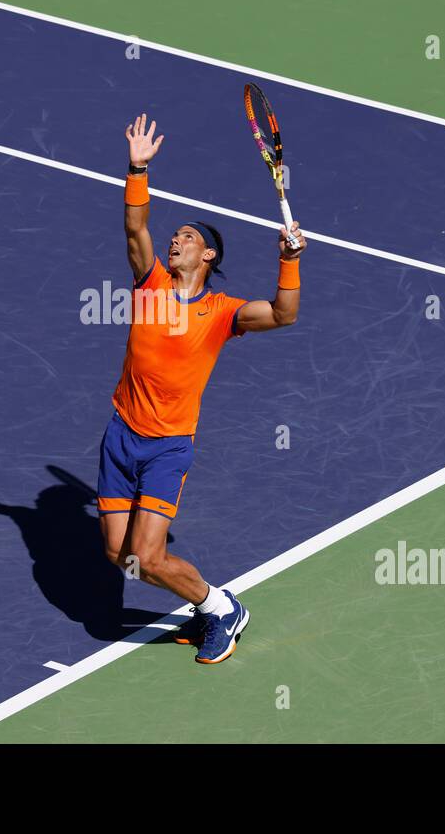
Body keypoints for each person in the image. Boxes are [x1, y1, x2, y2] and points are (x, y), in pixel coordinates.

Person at [97, 112, 306, 664]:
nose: (176, 239)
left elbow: (284, 315)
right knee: (122, 556)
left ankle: (220, 607)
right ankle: (204, 604)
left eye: (187, 237)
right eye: (176, 234)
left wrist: (288, 262)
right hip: (121, 434)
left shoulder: (222, 313)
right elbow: (134, 227)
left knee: (149, 553)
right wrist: (137, 168)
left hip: (166, 445)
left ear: (208, 255)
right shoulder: (149, 285)